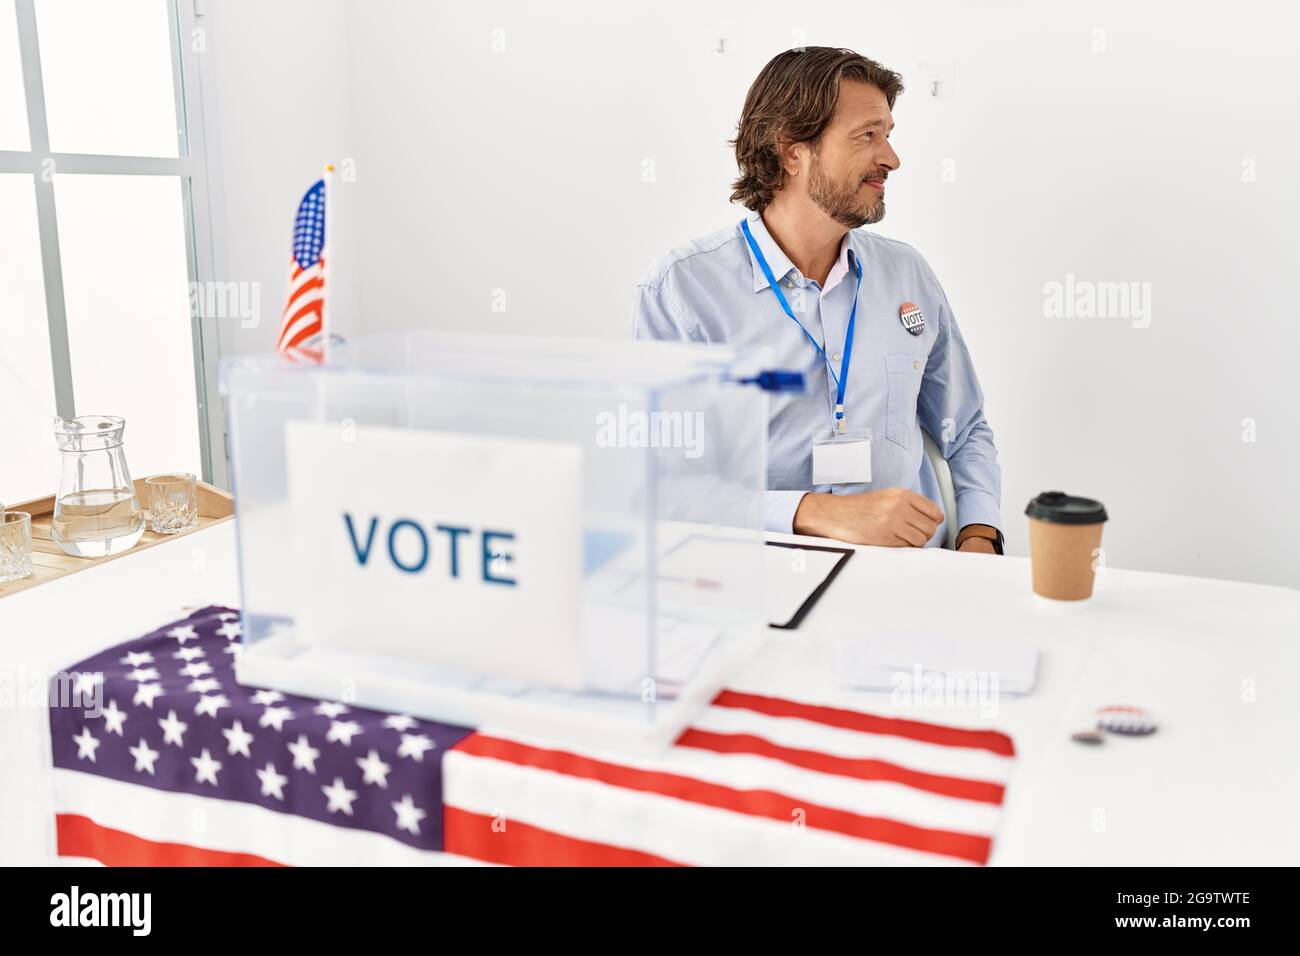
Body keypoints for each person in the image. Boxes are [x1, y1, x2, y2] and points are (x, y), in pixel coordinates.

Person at [632, 47, 1002, 553]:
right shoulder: (683, 291)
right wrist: (817, 512)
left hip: (917, 574)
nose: (891, 158)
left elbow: (966, 429)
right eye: (867, 136)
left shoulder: (907, 273)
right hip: (766, 577)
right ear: (791, 150)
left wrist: (980, 535)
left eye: (888, 135)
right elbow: (663, 486)